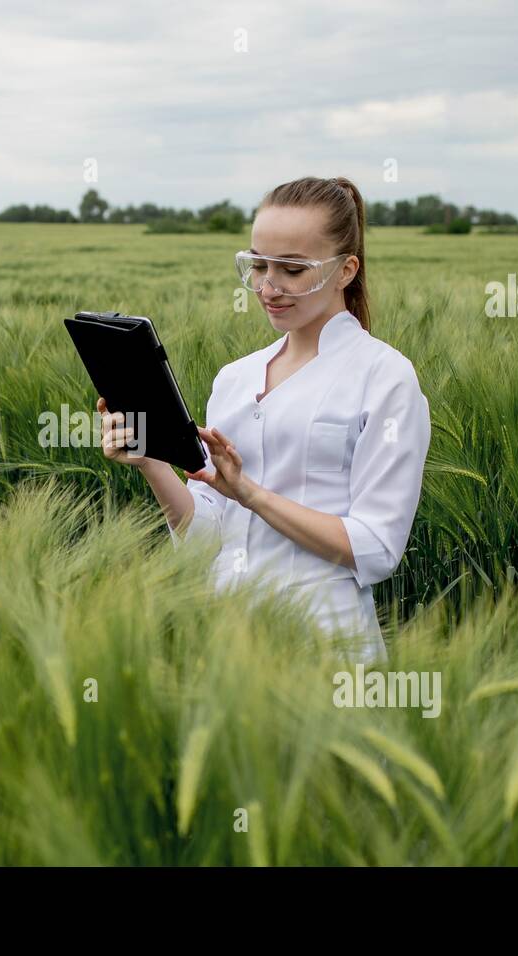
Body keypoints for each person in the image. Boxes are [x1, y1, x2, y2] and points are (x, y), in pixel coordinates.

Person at [98, 175, 430, 665]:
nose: (268, 287)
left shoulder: (385, 378)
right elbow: (205, 537)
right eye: (258, 265)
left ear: (345, 270)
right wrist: (152, 462)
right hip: (228, 645)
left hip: (326, 647)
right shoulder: (235, 379)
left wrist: (251, 495)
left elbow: (376, 548)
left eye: (292, 270)